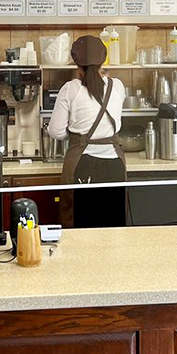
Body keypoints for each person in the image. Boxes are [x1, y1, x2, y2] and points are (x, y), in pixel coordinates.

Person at [47, 35, 126, 227]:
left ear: (76, 63)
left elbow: (56, 131)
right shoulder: (118, 86)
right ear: (103, 60)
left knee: (78, 226)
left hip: (82, 162)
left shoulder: (70, 89)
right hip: (114, 164)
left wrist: (78, 136)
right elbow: (118, 125)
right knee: (113, 226)